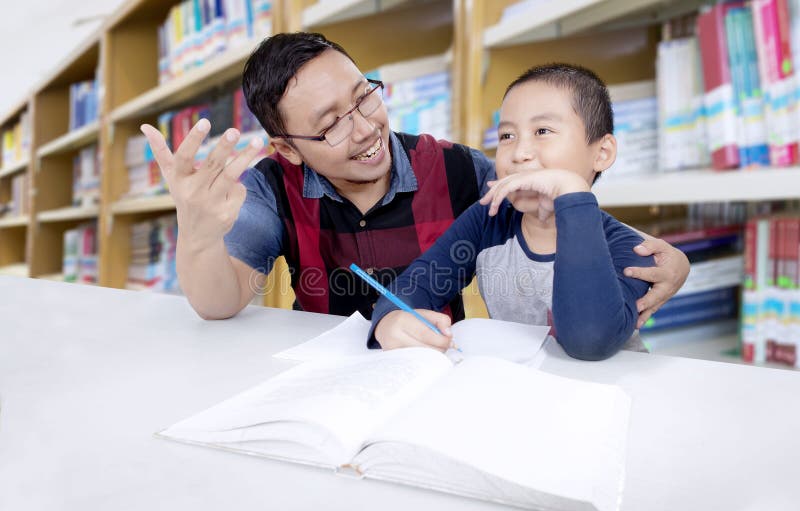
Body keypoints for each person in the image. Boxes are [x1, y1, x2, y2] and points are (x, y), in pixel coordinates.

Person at [139, 32, 688, 327]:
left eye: (364, 97)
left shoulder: (455, 167)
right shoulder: (269, 184)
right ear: (287, 148)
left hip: (431, 365)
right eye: (331, 125)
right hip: (324, 372)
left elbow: (552, 195)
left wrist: (664, 259)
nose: (363, 129)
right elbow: (219, 303)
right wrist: (198, 233)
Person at [371, 63, 662, 360]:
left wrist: (572, 193)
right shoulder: (487, 220)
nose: (519, 152)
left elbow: (588, 342)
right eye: (507, 136)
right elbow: (418, 283)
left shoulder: (631, 249)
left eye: (542, 131)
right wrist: (391, 317)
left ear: (602, 153)